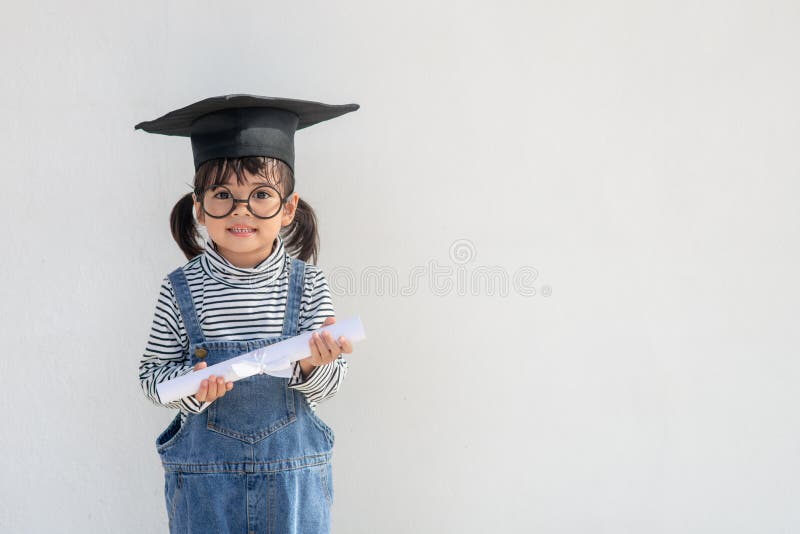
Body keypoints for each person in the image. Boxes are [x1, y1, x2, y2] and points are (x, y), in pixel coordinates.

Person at [135, 94, 359, 533]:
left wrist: (314, 365)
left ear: (288, 208)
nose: (241, 209)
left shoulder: (308, 285)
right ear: (199, 207)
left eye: (261, 195)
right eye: (223, 195)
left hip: (293, 484)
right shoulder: (180, 290)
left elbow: (329, 388)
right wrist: (194, 388)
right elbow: (151, 378)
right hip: (205, 490)